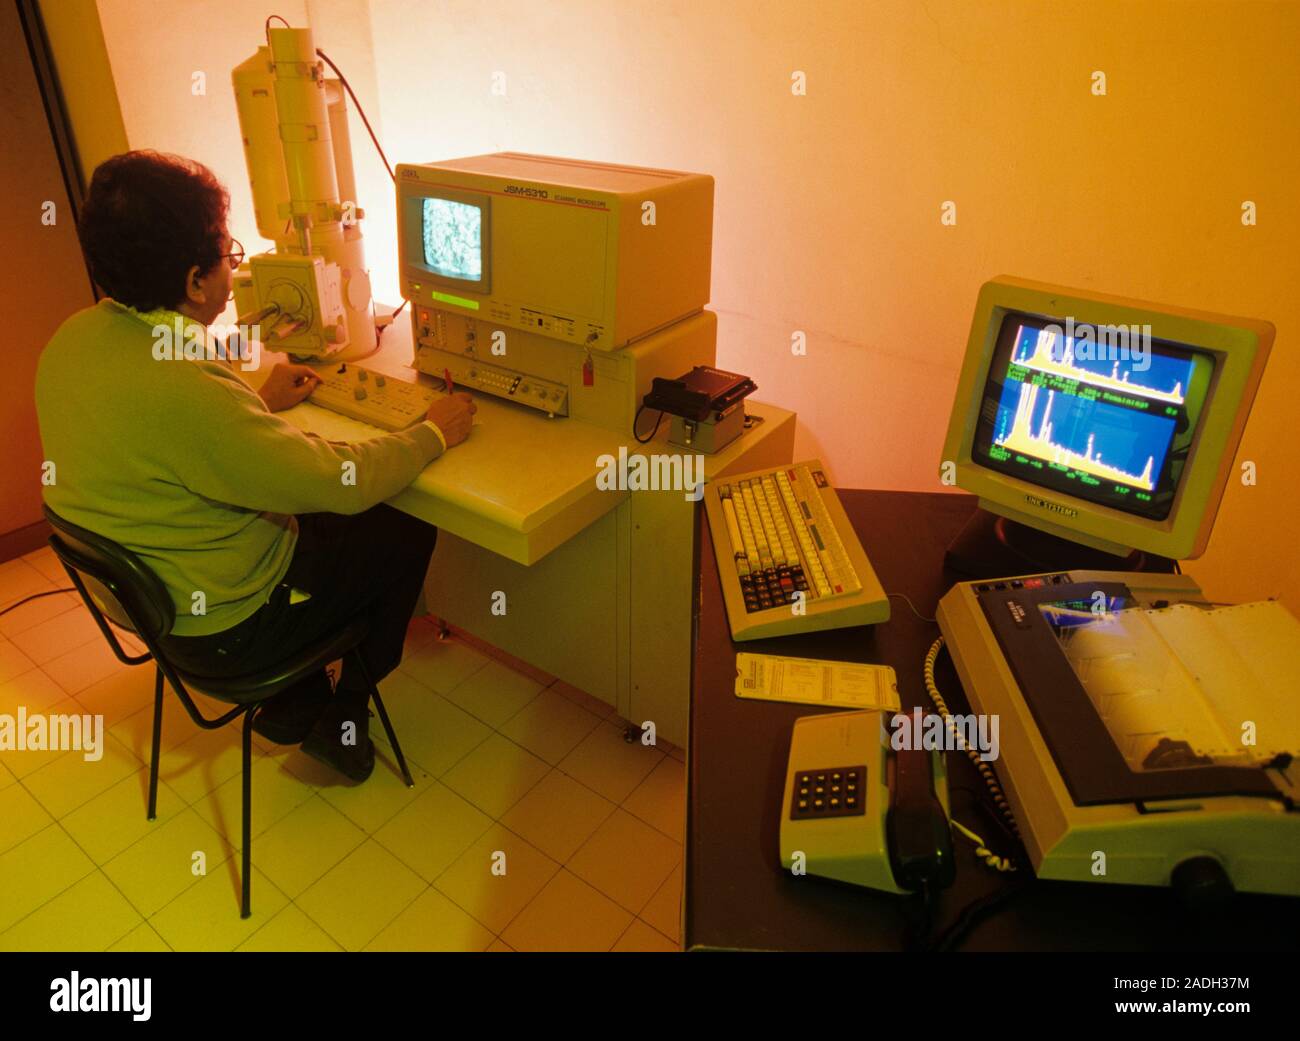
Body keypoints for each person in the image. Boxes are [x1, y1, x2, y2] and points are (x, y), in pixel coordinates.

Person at [35, 150, 475, 782]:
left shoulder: (72, 340)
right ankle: (342, 711)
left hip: (147, 614)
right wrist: (434, 429)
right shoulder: (190, 391)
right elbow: (338, 485)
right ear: (193, 281)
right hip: (226, 633)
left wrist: (254, 402)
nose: (232, 269)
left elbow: (161, 441)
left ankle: (294, 700)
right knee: (403, 526)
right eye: (228, 253)